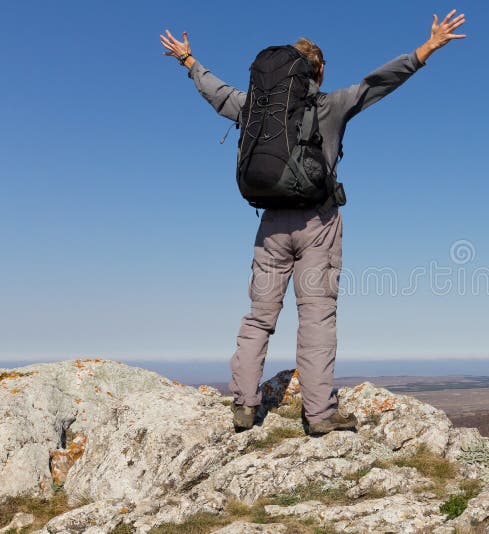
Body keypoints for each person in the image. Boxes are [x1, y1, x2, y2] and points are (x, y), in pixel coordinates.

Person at [159, 11, 467, 435]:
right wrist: (425, 50)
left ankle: (245, 408)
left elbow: (218, 94)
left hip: (270, 226)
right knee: (316, 317)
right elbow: (376, 84)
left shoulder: (255, 108)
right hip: (318, 223)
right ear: (317, 71)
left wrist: (189, 61)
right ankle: (320, 416)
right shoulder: (331, 105)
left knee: (258, 317)